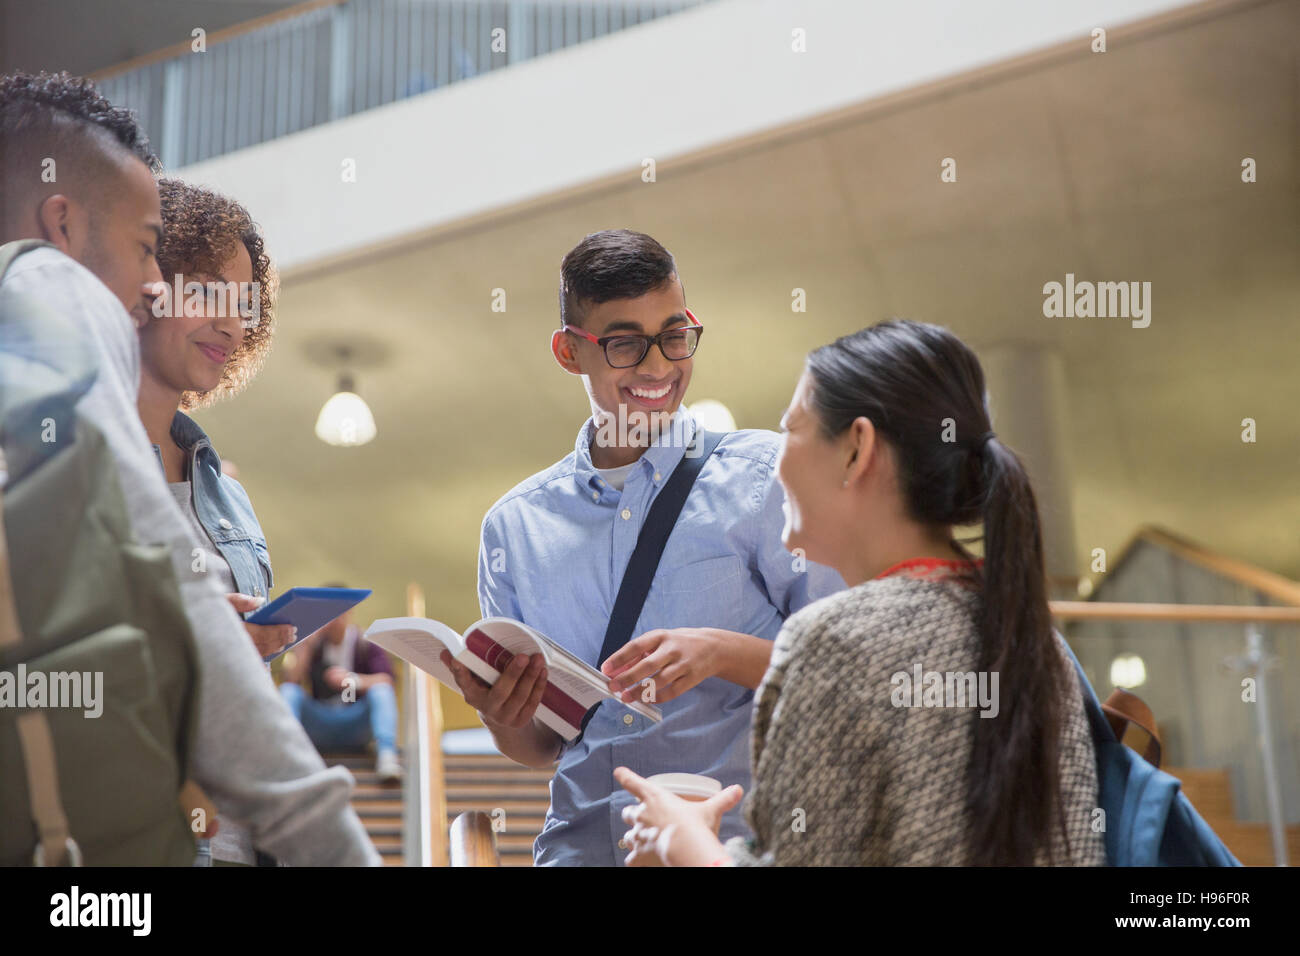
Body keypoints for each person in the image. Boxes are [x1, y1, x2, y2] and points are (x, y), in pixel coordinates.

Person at [0, 70, 379, 865]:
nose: (148, 286)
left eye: (247, 308)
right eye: (156, 258)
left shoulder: (224, 493)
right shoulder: (44, 296)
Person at [615, 319, 1106, 866]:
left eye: (791, 430)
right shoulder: (1033, 639)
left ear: (857, 449)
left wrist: (680, 840)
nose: (775, 461)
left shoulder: (834, 641)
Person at [440, 229, 845, 865]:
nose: (658, 367)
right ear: (570, 351)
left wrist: (719, 651)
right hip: (582, 848)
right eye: (625, 344)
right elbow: (540, 748)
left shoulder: (766, 478)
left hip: (732, 845)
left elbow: (840, 673)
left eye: (675, 335)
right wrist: (499, 713)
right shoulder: (514, 530)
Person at [138, 178, 294, 864]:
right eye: (208, 293)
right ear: (141, 279)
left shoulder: (225, 491)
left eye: (244, 303)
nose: (233, 324)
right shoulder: (57, 457)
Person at [280, 605, 401, 782]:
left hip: (355, 722)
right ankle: (285, 756)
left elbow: (386, 681)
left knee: (381, 691)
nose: (332, 621)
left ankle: (387, 755)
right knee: (288, 691)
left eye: (337, 615)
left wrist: (351, 680)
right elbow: (291, 682)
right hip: (320, 722)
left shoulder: (364, 644)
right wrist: (305, 647)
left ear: (348, 614)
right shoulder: (315, 645)